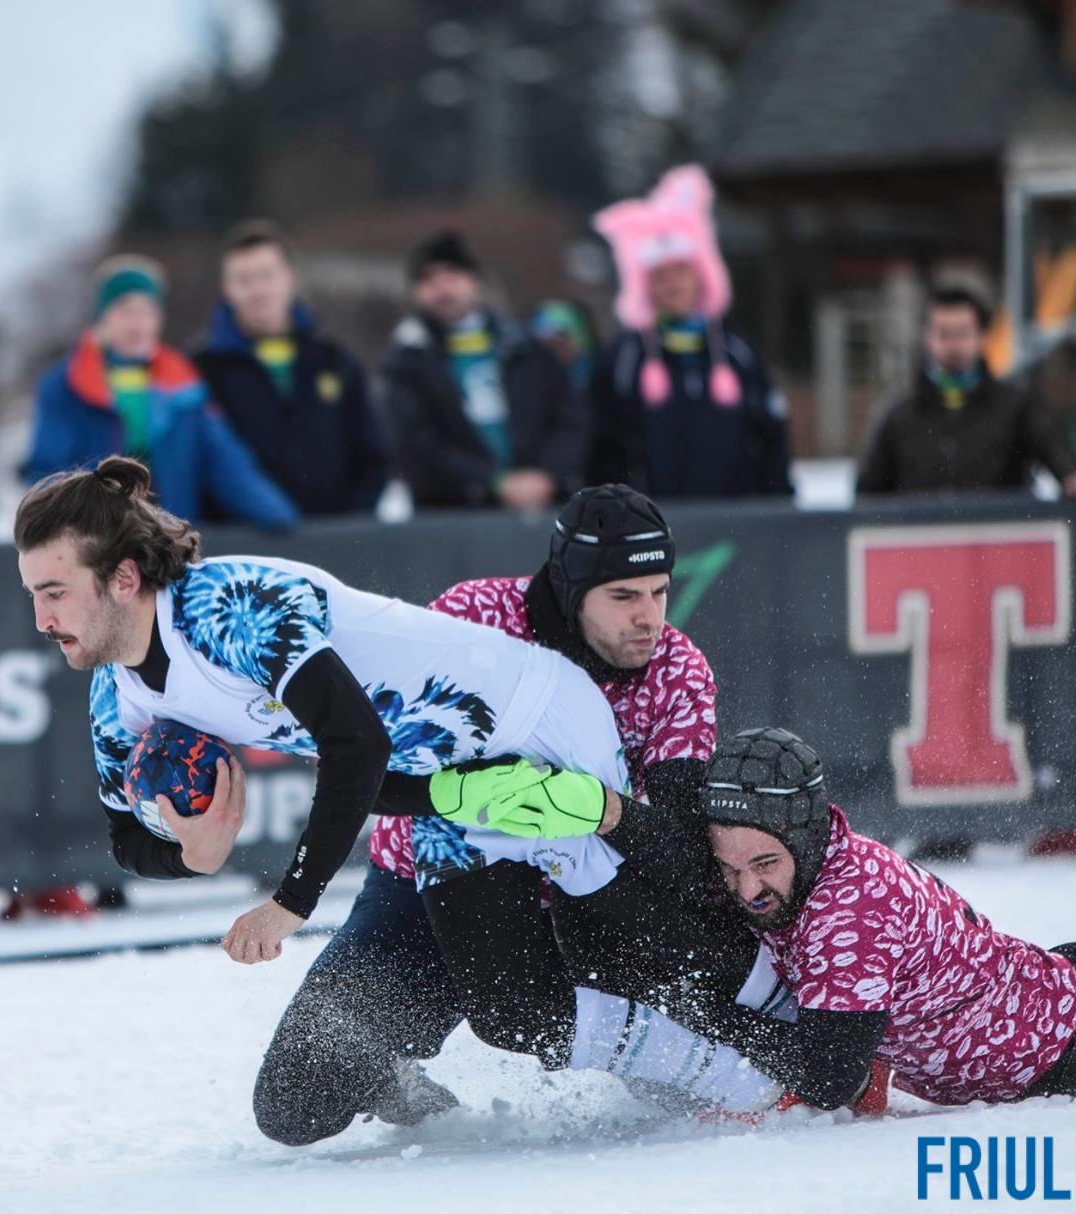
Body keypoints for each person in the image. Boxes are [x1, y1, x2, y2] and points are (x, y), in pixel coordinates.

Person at [15, 458, 783, 1140]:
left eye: (54, 593)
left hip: (538, 738)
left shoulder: (231, 606)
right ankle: (424, 1094)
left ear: (124, 578)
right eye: (34, 595)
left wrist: (291, 902)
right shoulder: (116, 697)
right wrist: (193, 854)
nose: (43, 621)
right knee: (294, 1104)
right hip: (435, 808)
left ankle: (772, 1053)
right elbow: (126, 840)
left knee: (557, 985)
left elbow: (357, 745)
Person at [256, 485, 783, 1145]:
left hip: (590, 898)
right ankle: (393, 1074)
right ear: (569, 587)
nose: (649, 617)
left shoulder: (677, 670)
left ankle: (715, 1043)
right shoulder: (469, 620)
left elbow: (682, 850)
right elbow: (360, 773)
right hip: (431, 884)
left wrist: (606, 811)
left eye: (659, 592)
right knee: (294, 1101)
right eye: (624, 596)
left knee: (678, 1096)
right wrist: (464, 793)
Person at [692, 728, 1076, 1109]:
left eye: (765, 864)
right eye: (728, 868)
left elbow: (830, 1077)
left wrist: (688, 1017)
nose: (748, 890)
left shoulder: (847, 909)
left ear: (802, 838)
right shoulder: (812, 868)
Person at [26, 256, 297, 531]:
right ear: (102, 317)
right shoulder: (65, 386)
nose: (138, 324)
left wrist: (284, 521)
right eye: (125, 311)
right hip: (97, 541)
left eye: (147, 312)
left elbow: (228, 466)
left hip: (168, 539)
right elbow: (49, 475)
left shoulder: (184, 385)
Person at [590, 166, 792, 499]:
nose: (673, 285)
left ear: (702, 276)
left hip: (736, 520)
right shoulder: (622, 360)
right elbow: (603, 447)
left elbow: (772, 438)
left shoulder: (738, 351)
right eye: (661, 276)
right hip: (651, 521)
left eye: (681, 272)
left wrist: (778, 506)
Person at [191, 221, 392, 519]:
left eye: (266, 275)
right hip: (241, 543)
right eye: (243, 279)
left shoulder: (335, 360)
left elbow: (374, 456)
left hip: (336, 535)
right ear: (226, 288)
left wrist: (351, 526)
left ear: (289, 278)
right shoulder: (200, 370)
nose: (257, 290)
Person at [379, 231, 586, 512]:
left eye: (452, 276)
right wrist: (493, 483)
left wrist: (548, 476)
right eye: (428, 280)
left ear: (475, 282)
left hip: (542, 507)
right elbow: (415, 443)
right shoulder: (406, 362)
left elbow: (571, 418)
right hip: (452, 515)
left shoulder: (526, 349)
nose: (442, 290)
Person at [855, 286, 1076, 508]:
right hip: (919, 544)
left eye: (962, 333)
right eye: (944, 334)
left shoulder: (1016, 406)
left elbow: (1059, 458)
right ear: (928, 338)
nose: (953, 345)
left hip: (1001, 541)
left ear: (982, 336)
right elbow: (867, 497)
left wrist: (1075, 479)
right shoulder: (899, 415)